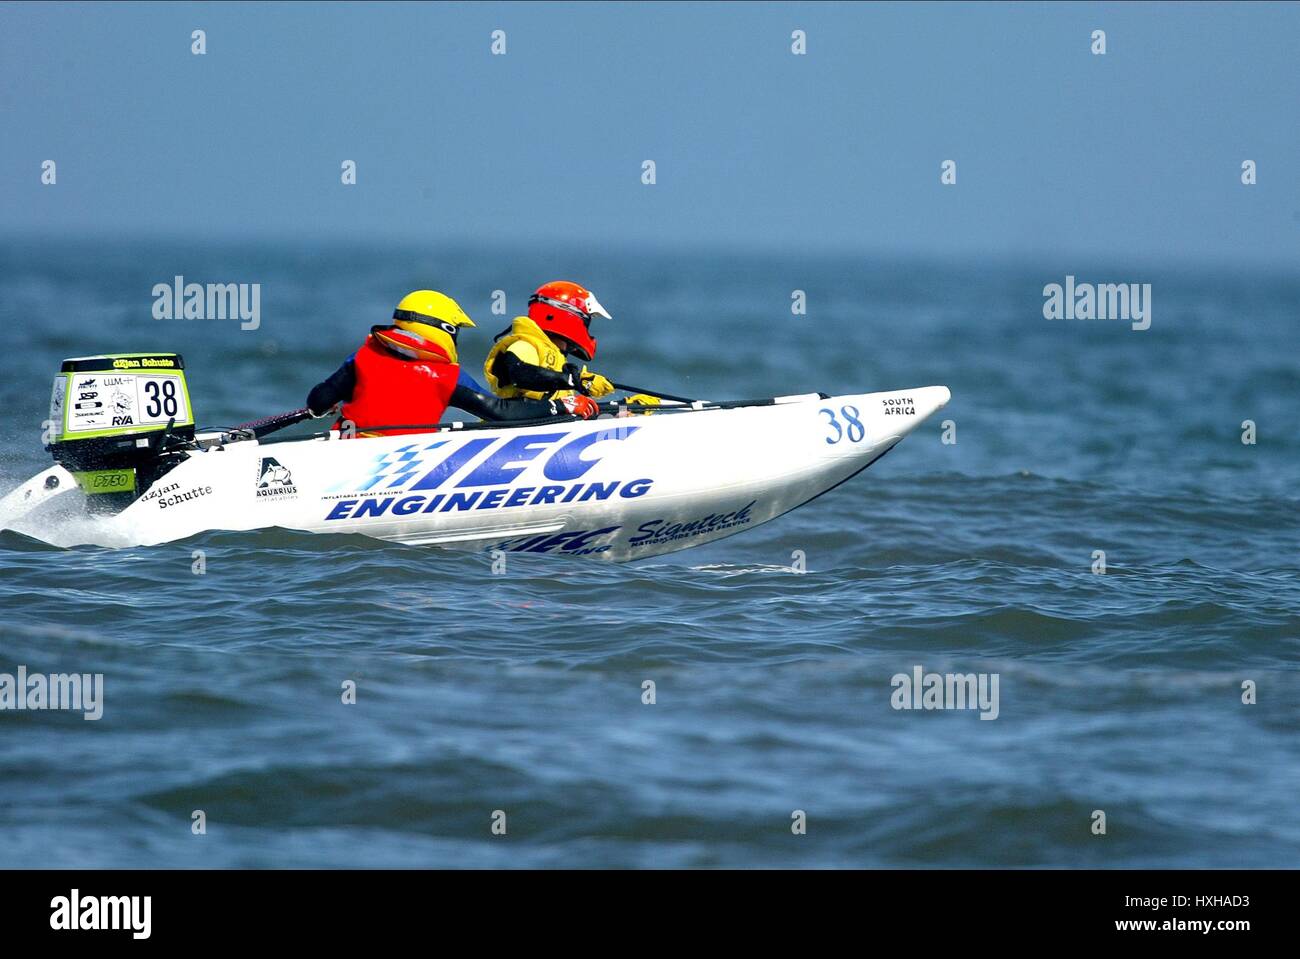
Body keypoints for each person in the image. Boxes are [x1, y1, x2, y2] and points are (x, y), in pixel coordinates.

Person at [306, 290, 600, 437]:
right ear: (444, 330)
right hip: (404, 462)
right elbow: (500, 412)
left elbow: (317, 402)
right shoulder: (445, 375)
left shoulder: (364, 356)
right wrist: (563, 407)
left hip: (348, 447)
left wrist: (333, 400)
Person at [482, 280, 622, 402]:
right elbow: (518, 373)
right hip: (516, 425)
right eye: (586, 323)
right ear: (570, 318)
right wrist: (572, 380)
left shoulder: (554, 355)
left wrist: (625, 406)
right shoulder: (525, 345)